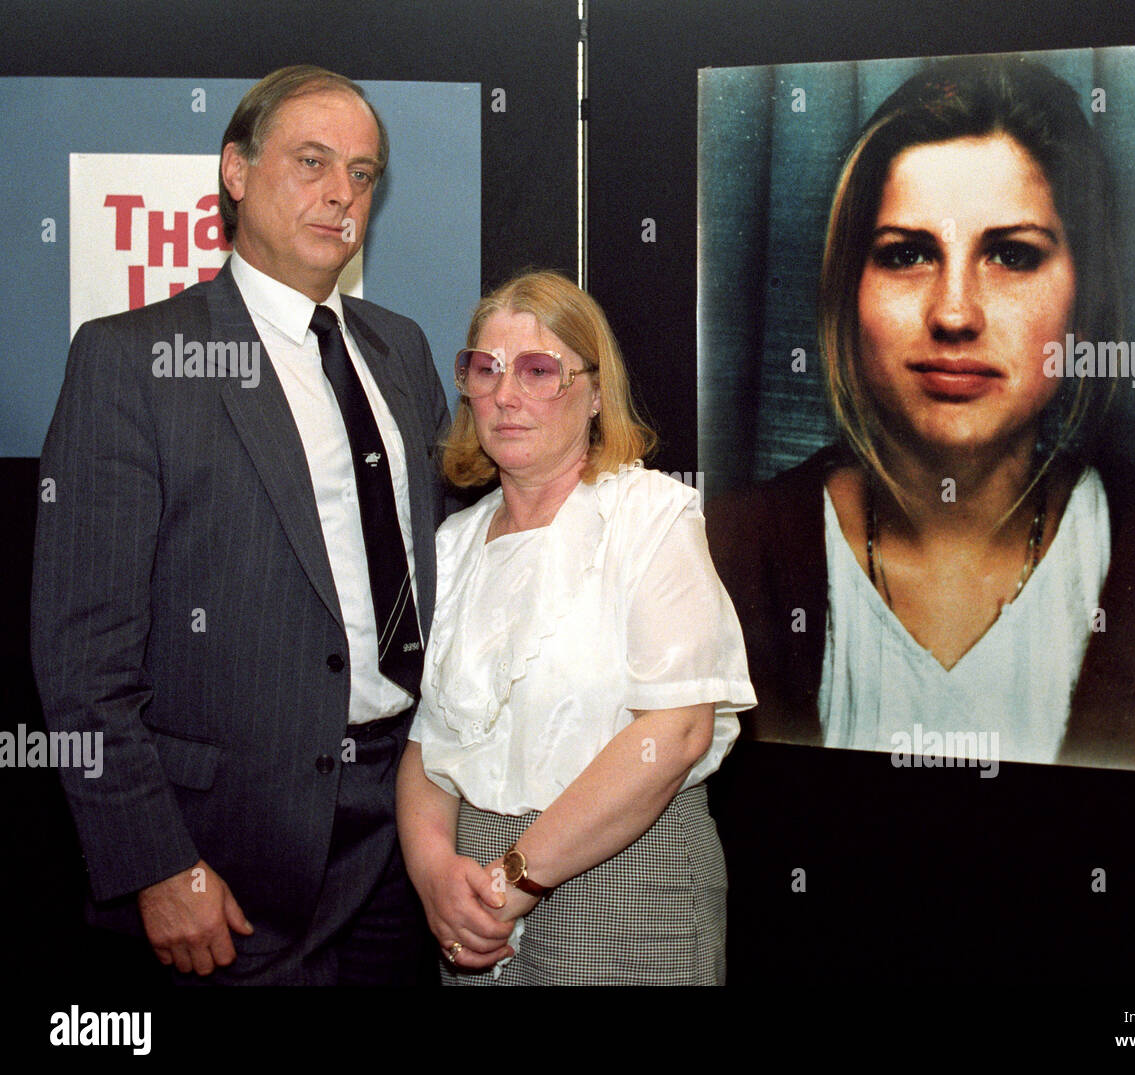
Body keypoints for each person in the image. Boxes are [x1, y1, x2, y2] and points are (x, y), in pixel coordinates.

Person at [30, 65, 455, 984]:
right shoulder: (132, 360)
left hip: (410, 830)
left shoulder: (403, 349)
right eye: (312, 161)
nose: (342, 192)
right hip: (225, 860)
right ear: (235, 169)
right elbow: (79, 653)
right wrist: (153, 859)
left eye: (364, 172)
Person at [706, 56, 1135, 774]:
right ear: (849, 290)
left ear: (1084, 294)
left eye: (1011, 254)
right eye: (907, 254)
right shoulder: (722, 554)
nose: (953, 313)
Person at [396, 270, 754, 985]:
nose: (505, 393)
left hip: (625, 884)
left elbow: (676, 731)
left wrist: (519, 876)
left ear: (594, 393)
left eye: (538, 370)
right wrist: (437, 875)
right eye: (485, 369)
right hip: (474, 909)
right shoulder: (453, 545)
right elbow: (427, 745)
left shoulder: (651, 516)